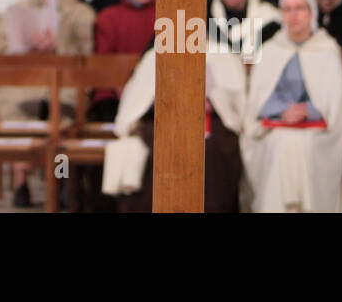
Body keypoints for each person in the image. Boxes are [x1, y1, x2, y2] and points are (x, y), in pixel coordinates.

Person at [0, 0, 94, 207]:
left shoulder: (81, 13)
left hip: (65, 84)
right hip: (23, 84)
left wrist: (59, 46)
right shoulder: (16, 10)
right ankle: (20, 181)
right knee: (17, 108)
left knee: (62, 112)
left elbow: (88, 57)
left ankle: (60, 181)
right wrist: (24, 47)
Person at [240, 0, 342, 212]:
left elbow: (334, 101)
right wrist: (283, 111)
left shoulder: (326, 49)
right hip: (274, 127)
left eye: (299, 8)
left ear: (311, 13)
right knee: (283, 142)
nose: (293, 15)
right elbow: (259, 99)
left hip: (318, 129)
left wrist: (306, 111)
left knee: (298, 143)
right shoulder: (271, 49)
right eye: (287, 9)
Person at [103, 44, 247, 212]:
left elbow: (234, 106)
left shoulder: (220, 54)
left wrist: (212, 103)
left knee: (211, 152)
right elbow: (140, 101)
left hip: (212, 125)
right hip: (160, 121)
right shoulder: (157, 53)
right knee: (160, 149)